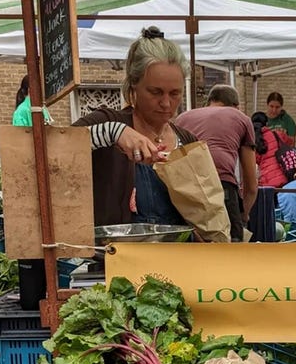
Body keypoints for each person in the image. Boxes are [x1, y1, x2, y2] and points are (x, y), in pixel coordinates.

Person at [73, 27, 202, 226]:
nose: (166, 103)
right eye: (155, 92)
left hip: (178, 254)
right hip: (115, 255)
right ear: (134, 84)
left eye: (175, 93)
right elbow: (52, 148)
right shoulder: (105, 121)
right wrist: (113, 132)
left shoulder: (188, 143)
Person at [173, 84, 260, 240]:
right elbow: (251, 185)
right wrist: (242, 216)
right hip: (222, 185)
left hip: (184, 188)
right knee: (229, 253)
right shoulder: (240, 117)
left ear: (208, 102)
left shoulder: (182, 118)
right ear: (236, 106)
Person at [249, 95, 295, 190]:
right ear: (266, 123)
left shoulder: (252, 140)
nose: (274, 110)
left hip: (266, 181)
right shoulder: (277, 134)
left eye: (277, 107)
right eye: (271, 106)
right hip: (284, 176)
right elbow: (291, 142)